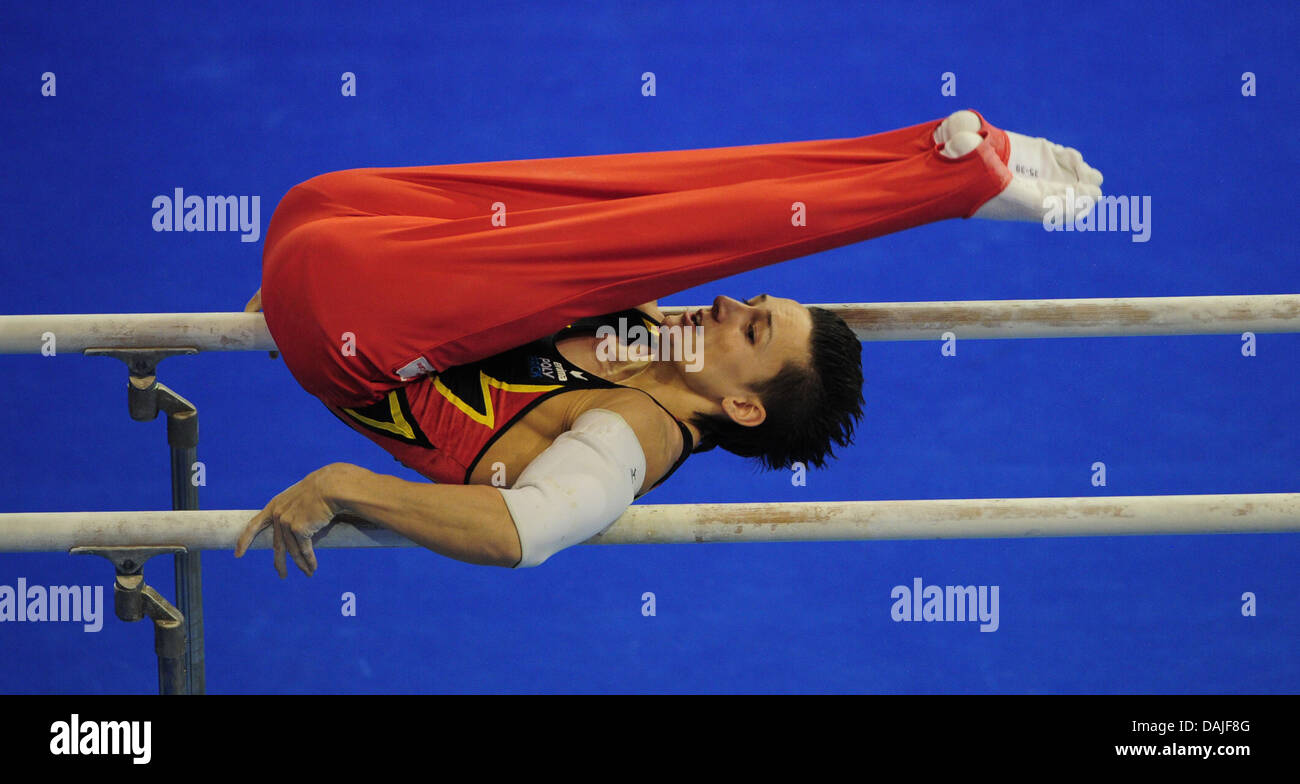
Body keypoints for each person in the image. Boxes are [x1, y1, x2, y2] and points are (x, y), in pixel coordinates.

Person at [234, 109, 1103, 576]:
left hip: (344, 334)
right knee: (650, 205)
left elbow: (517, 533)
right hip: (338, 223)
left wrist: (347, 487)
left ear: (741, 405)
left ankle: (944, 181)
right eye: (753, 302)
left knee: (688, 226)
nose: (727, 304)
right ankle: (917, 154)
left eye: (752, 328)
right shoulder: (657, 332)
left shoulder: (638, 436)